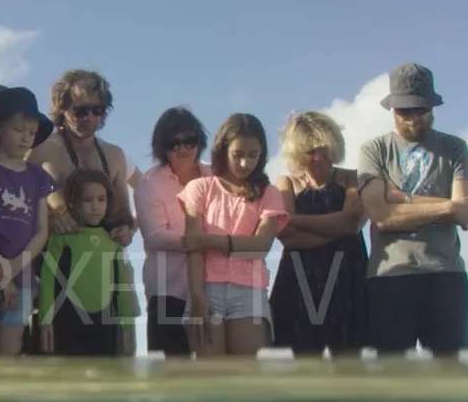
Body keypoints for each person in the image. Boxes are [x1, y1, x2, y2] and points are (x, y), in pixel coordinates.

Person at [355, 64, 468, 358]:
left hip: (446, 275)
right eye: (404, 111)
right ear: (392, 109)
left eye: (419, 110)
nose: (412, 119)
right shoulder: (374, 150)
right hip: (390, 279)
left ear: (432, 108)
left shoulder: (455, 148)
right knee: (393, 381)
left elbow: (465, 215)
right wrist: (446, 204)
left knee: (453, 376)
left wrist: (403, 198)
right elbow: (381, 216)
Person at [29, 68, 136, 357]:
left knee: (114, 363)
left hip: (102, 268)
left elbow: (125, 213)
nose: (89, 118)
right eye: (80, 110)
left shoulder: (113, 155)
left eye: (97, 110)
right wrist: (50, 217)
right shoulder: (40, 150)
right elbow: (16, 203)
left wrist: (127, 229)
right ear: (61, 108)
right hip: (54, 267)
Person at [182, 113, 289, 357]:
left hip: (249, 292)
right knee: (211, 376)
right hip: (206, 288)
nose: (245, 164)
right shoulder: (199, 188)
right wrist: (197, 295)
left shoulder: (269, 192)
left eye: (253, 155)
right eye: (238, 155)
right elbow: (192, 247)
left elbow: (261, 246)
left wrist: (208, 240)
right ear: (223, 150)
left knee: (246, 378)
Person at [0, 85, 56, 357]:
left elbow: (42, 231)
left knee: (8, 357)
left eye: (32, 132)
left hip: (23, 274)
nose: (26, 137)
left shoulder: (38, 175)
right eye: (18, 130)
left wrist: (15, 267)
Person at [270, 110, 368, 357]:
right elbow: (286, 233)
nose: (318, 157)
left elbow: (352, 223)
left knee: (349, 359)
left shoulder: (351, 179)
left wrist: (297, 221)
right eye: (310, 151)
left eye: (322, 149)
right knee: (304, 359)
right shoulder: (287, 183)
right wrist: (340, 228)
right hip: (300, 279)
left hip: (346, 276)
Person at [132, 107, 209, 358]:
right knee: (171, 375)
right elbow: (155, 236)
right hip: (168, 290)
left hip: (215, 287)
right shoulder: (148, 182)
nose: (183, 148)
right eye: (174, 144)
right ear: (161, 148)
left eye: (190, 141)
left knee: (216, 370)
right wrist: (208, 241)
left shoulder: (217, 176)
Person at [36, 167, 136, 357]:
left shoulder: (112, 239)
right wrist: (45, 320)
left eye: (101, 199)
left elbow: (122, 286)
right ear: (73, 203)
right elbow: (47, 278)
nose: (95, 206)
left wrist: (127, 326)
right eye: (87, 200)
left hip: (105, 324)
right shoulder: (62, 237)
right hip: (66, 322)